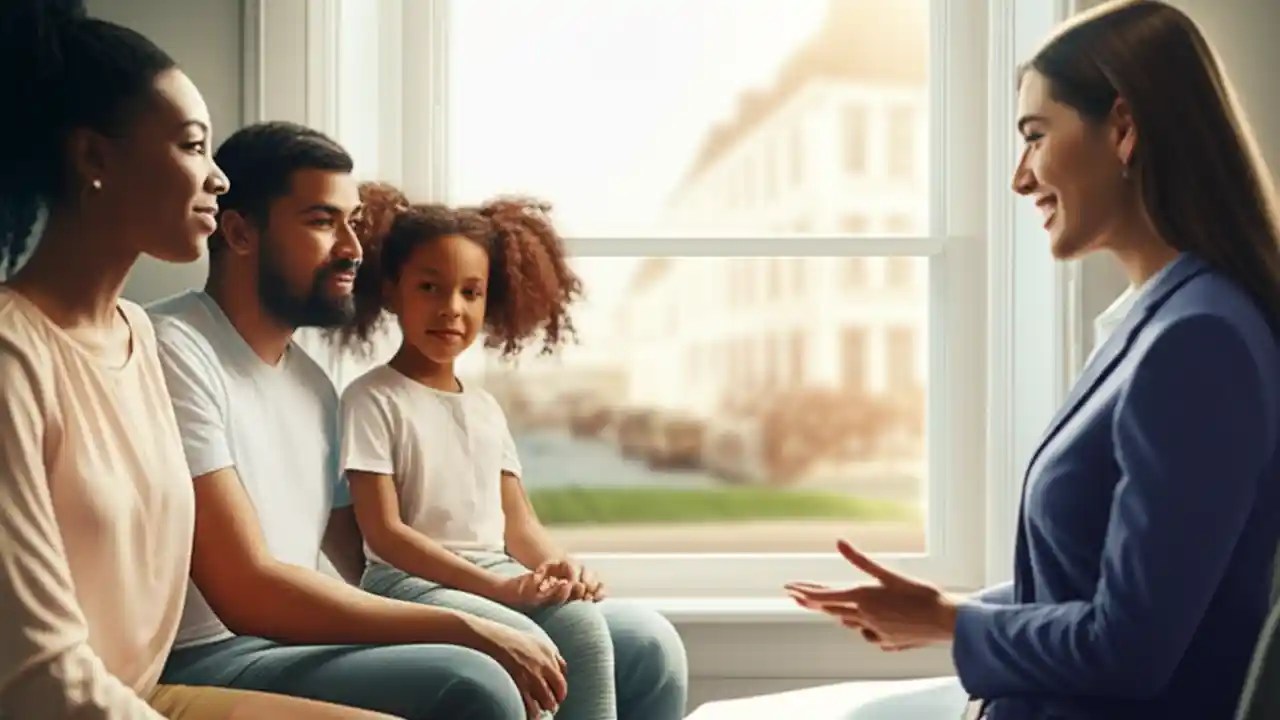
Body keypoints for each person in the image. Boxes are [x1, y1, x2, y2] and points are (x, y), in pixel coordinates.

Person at [786, 1, 1280, 719]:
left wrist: (948, 621)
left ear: (1122, 128)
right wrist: (941, 610)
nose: (1021, 177)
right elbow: (1096, 587)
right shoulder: (1165, 321)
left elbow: (1130, 647)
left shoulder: (1198, 344)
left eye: (1036, 136)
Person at [0, 2, 397, 718]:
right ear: (94, 157)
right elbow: (36, 674)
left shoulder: (139, 337)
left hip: (143, 694)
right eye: (191, 146)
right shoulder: (12, 357)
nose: (218, 178)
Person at [148, 122, 568, 720]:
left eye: (353, 224)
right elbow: (246, 589)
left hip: (289, 644)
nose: (352, 248)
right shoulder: (174, 348)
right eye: (323, 222)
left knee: (636, 648)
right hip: (208, 651)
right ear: (240, 231)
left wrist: (513, 595)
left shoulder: (314, 385)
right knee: (474, 681)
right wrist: (464, 627)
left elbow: (363, 561)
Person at [338, 197, 689, 720]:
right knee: (542, 633)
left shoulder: (483, 407)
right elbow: (384, 533)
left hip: (491, 571)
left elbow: (518, 524)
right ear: (392, 290)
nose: (451, 307)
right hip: (407, 582)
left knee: (617, 632)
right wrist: (498, 588)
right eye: (429, 287)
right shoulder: (372, 398)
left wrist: (559, 568)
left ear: (489, 301)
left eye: (470, 292)